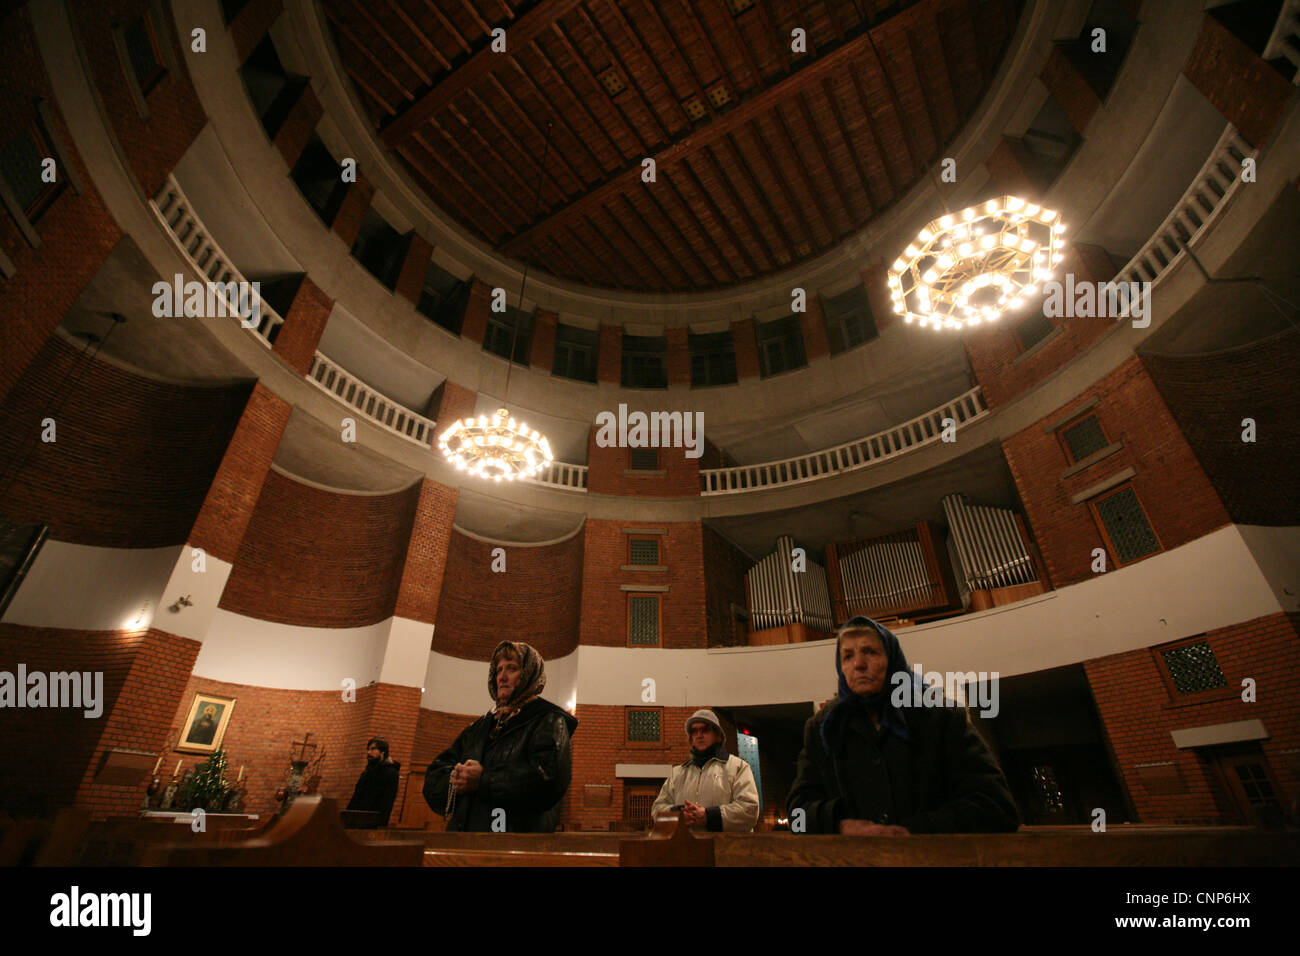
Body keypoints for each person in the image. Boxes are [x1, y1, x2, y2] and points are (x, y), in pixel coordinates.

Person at [786, 616, 1019, 835]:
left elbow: (997, 807)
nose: (858, 664)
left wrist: (913, 831)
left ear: (893, 660)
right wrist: (840, 824)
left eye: (870, 652)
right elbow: (797, 815)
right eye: (847, 656)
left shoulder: (943, 718)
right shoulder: (821, 727)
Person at [423, 640, 577, 832]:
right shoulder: (479, 727)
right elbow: (435, 776)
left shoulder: (549, 720)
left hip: (513, 839)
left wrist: (484, 780)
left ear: (529, 673)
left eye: (511, 669)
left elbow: (547, 781)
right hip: (463, 836)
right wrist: (456, 779)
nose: (502, 677)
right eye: (498, 670)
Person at [650, 708, 759, 832]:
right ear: (691, 738)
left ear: (718, 736)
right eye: (694, 731)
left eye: (705, 730)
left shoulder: (738, 767)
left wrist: (708, 816)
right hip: (687, 847)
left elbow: (749, 810)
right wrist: (680, 815)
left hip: (726, 847)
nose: (699, 735)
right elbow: (657, 810)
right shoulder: (678, 773)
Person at [345, 736, 401, 827]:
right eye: (368, 749)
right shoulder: (367, 772)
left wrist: (380, 823)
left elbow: (387, 801)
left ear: (383, 752)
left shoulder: (390, 773)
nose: (368, 752)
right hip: (355, 818)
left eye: (373, 749)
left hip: (372, 821)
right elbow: (357, 796)